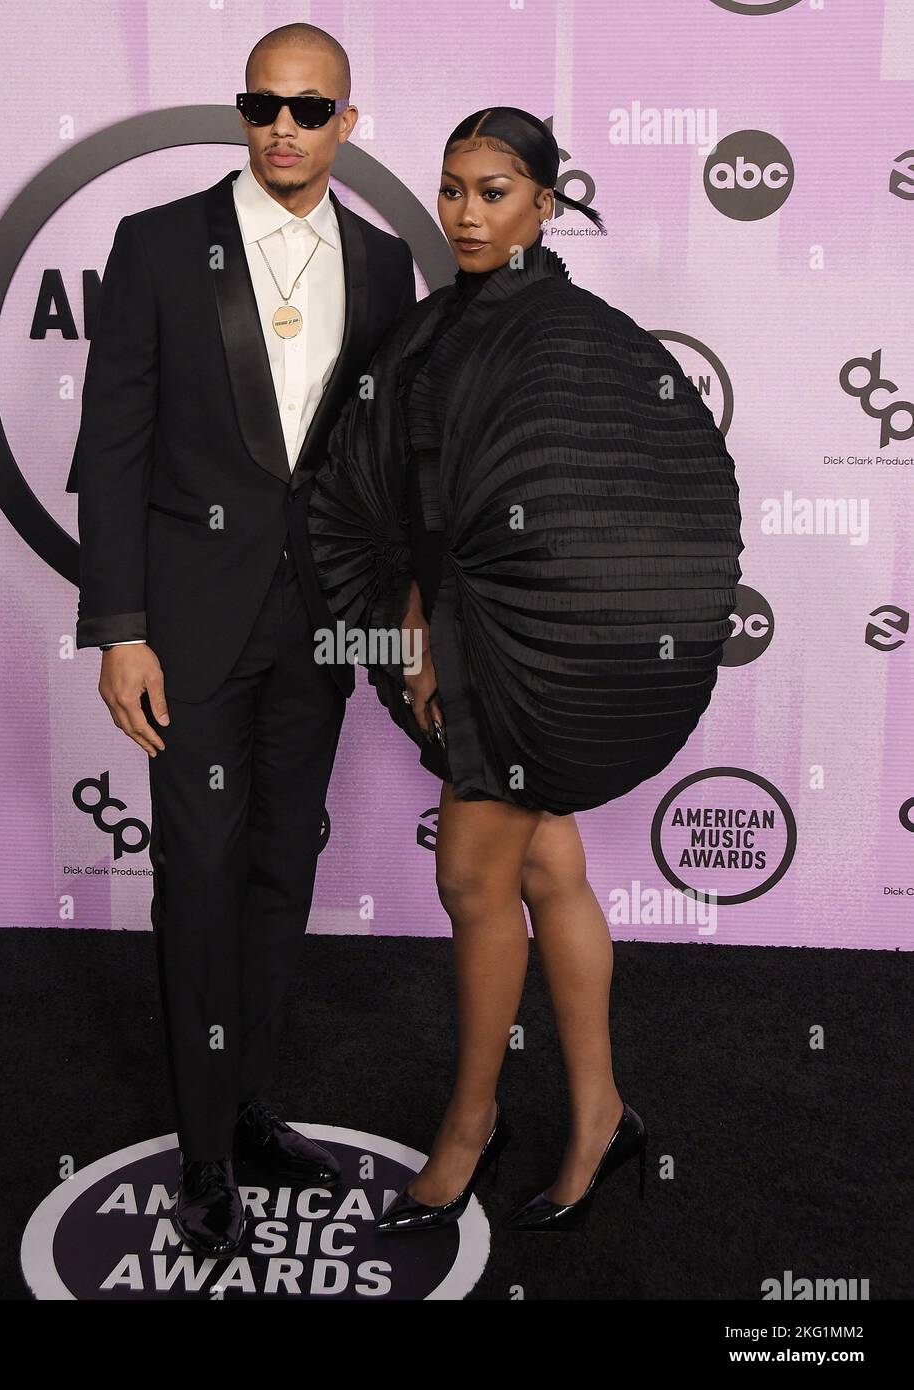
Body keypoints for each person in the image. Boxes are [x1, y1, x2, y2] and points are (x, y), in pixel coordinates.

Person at [308, 107, 744, 1233]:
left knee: (469, 882)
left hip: (524, 652)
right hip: (456, 631)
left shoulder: (576, 334)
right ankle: (598, 1111)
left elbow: (606, 501)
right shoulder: (423, 328)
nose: (464, 211)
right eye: (451, 188)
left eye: (493, 191)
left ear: (545, 203)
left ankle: (468, 1127)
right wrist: (411, 627)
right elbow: (399, 502)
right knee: (547, 872)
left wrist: (474, 636)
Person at [66, 24, 416, 1256]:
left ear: (345, 125)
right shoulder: (158, 244)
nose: (282, 126)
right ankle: (204, 1144)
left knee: (280, 872)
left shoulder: (381, 269)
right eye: (262, 103)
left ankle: (256, 1102)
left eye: (308, 109)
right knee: (196, 881)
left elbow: (377, 466)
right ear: (241, 111)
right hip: (191, 628)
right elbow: (108, 449)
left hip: (316, 628)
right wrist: (118, 630)